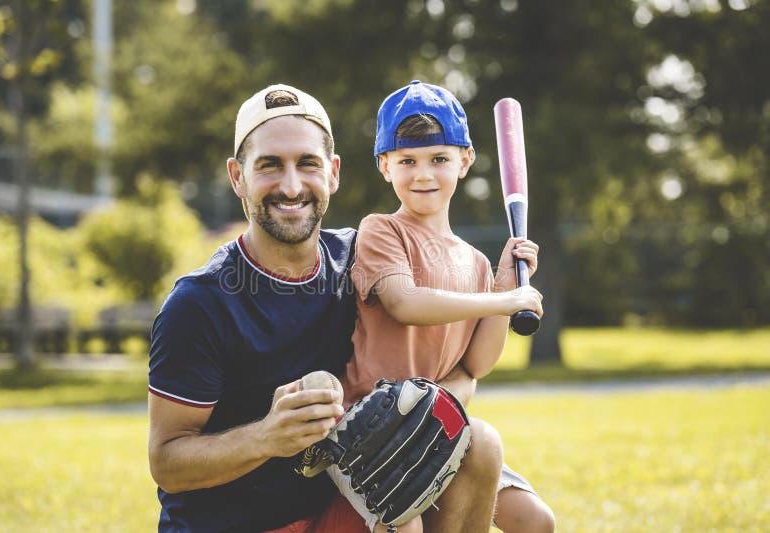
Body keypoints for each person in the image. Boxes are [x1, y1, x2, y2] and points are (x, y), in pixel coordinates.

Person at [147, 84, 503, 533]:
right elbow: (166, 461)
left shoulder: (364, 259)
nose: (292, 185)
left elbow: (462, 365)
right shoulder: (199, 304)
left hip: (335, 511)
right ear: (238, 176)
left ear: (333, 172)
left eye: (308, 164)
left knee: (479, 447)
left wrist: (503, 287)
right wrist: (266, 437)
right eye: (270, 165)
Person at [330, 80, 556, 533]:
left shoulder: (473, 263)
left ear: (465, 160)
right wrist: (502, 297)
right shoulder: (381, 231)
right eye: (407, 161)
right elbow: (404, 302)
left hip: (437, 431)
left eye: (439, 159)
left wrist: (503, 284)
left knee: (536, 522)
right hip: (373, 434)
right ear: (384, 166)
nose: (423, 174)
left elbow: (476, 364)